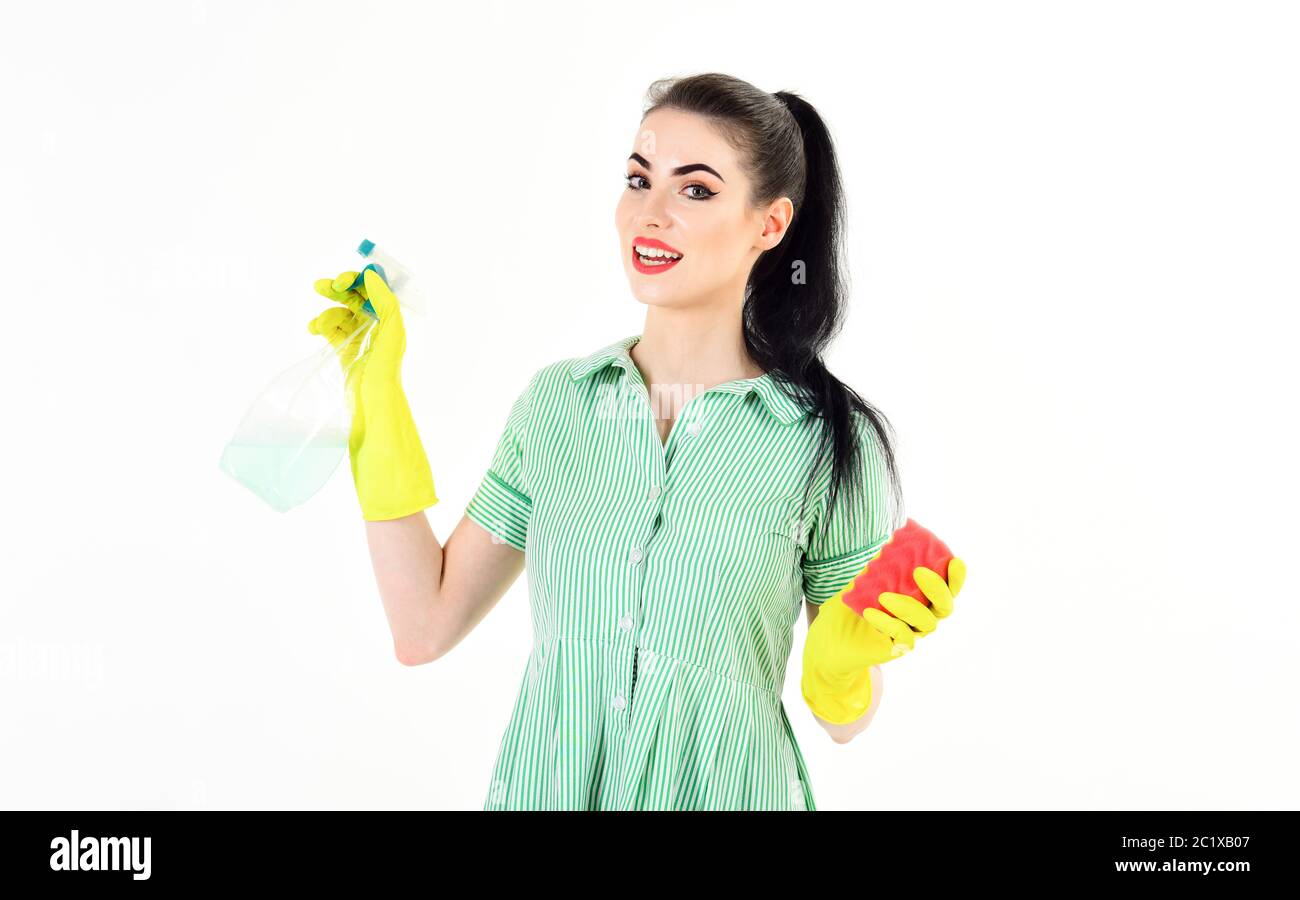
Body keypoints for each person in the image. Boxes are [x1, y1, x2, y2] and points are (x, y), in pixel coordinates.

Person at [308, 72, 963, 811]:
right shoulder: (558, 407)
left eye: (696, 190)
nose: (650, 214)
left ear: (769, 225)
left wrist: (836, 670)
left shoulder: (823, 442)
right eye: (637, 179)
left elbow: (848, 724)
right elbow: (422, 628)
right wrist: (376, 397)